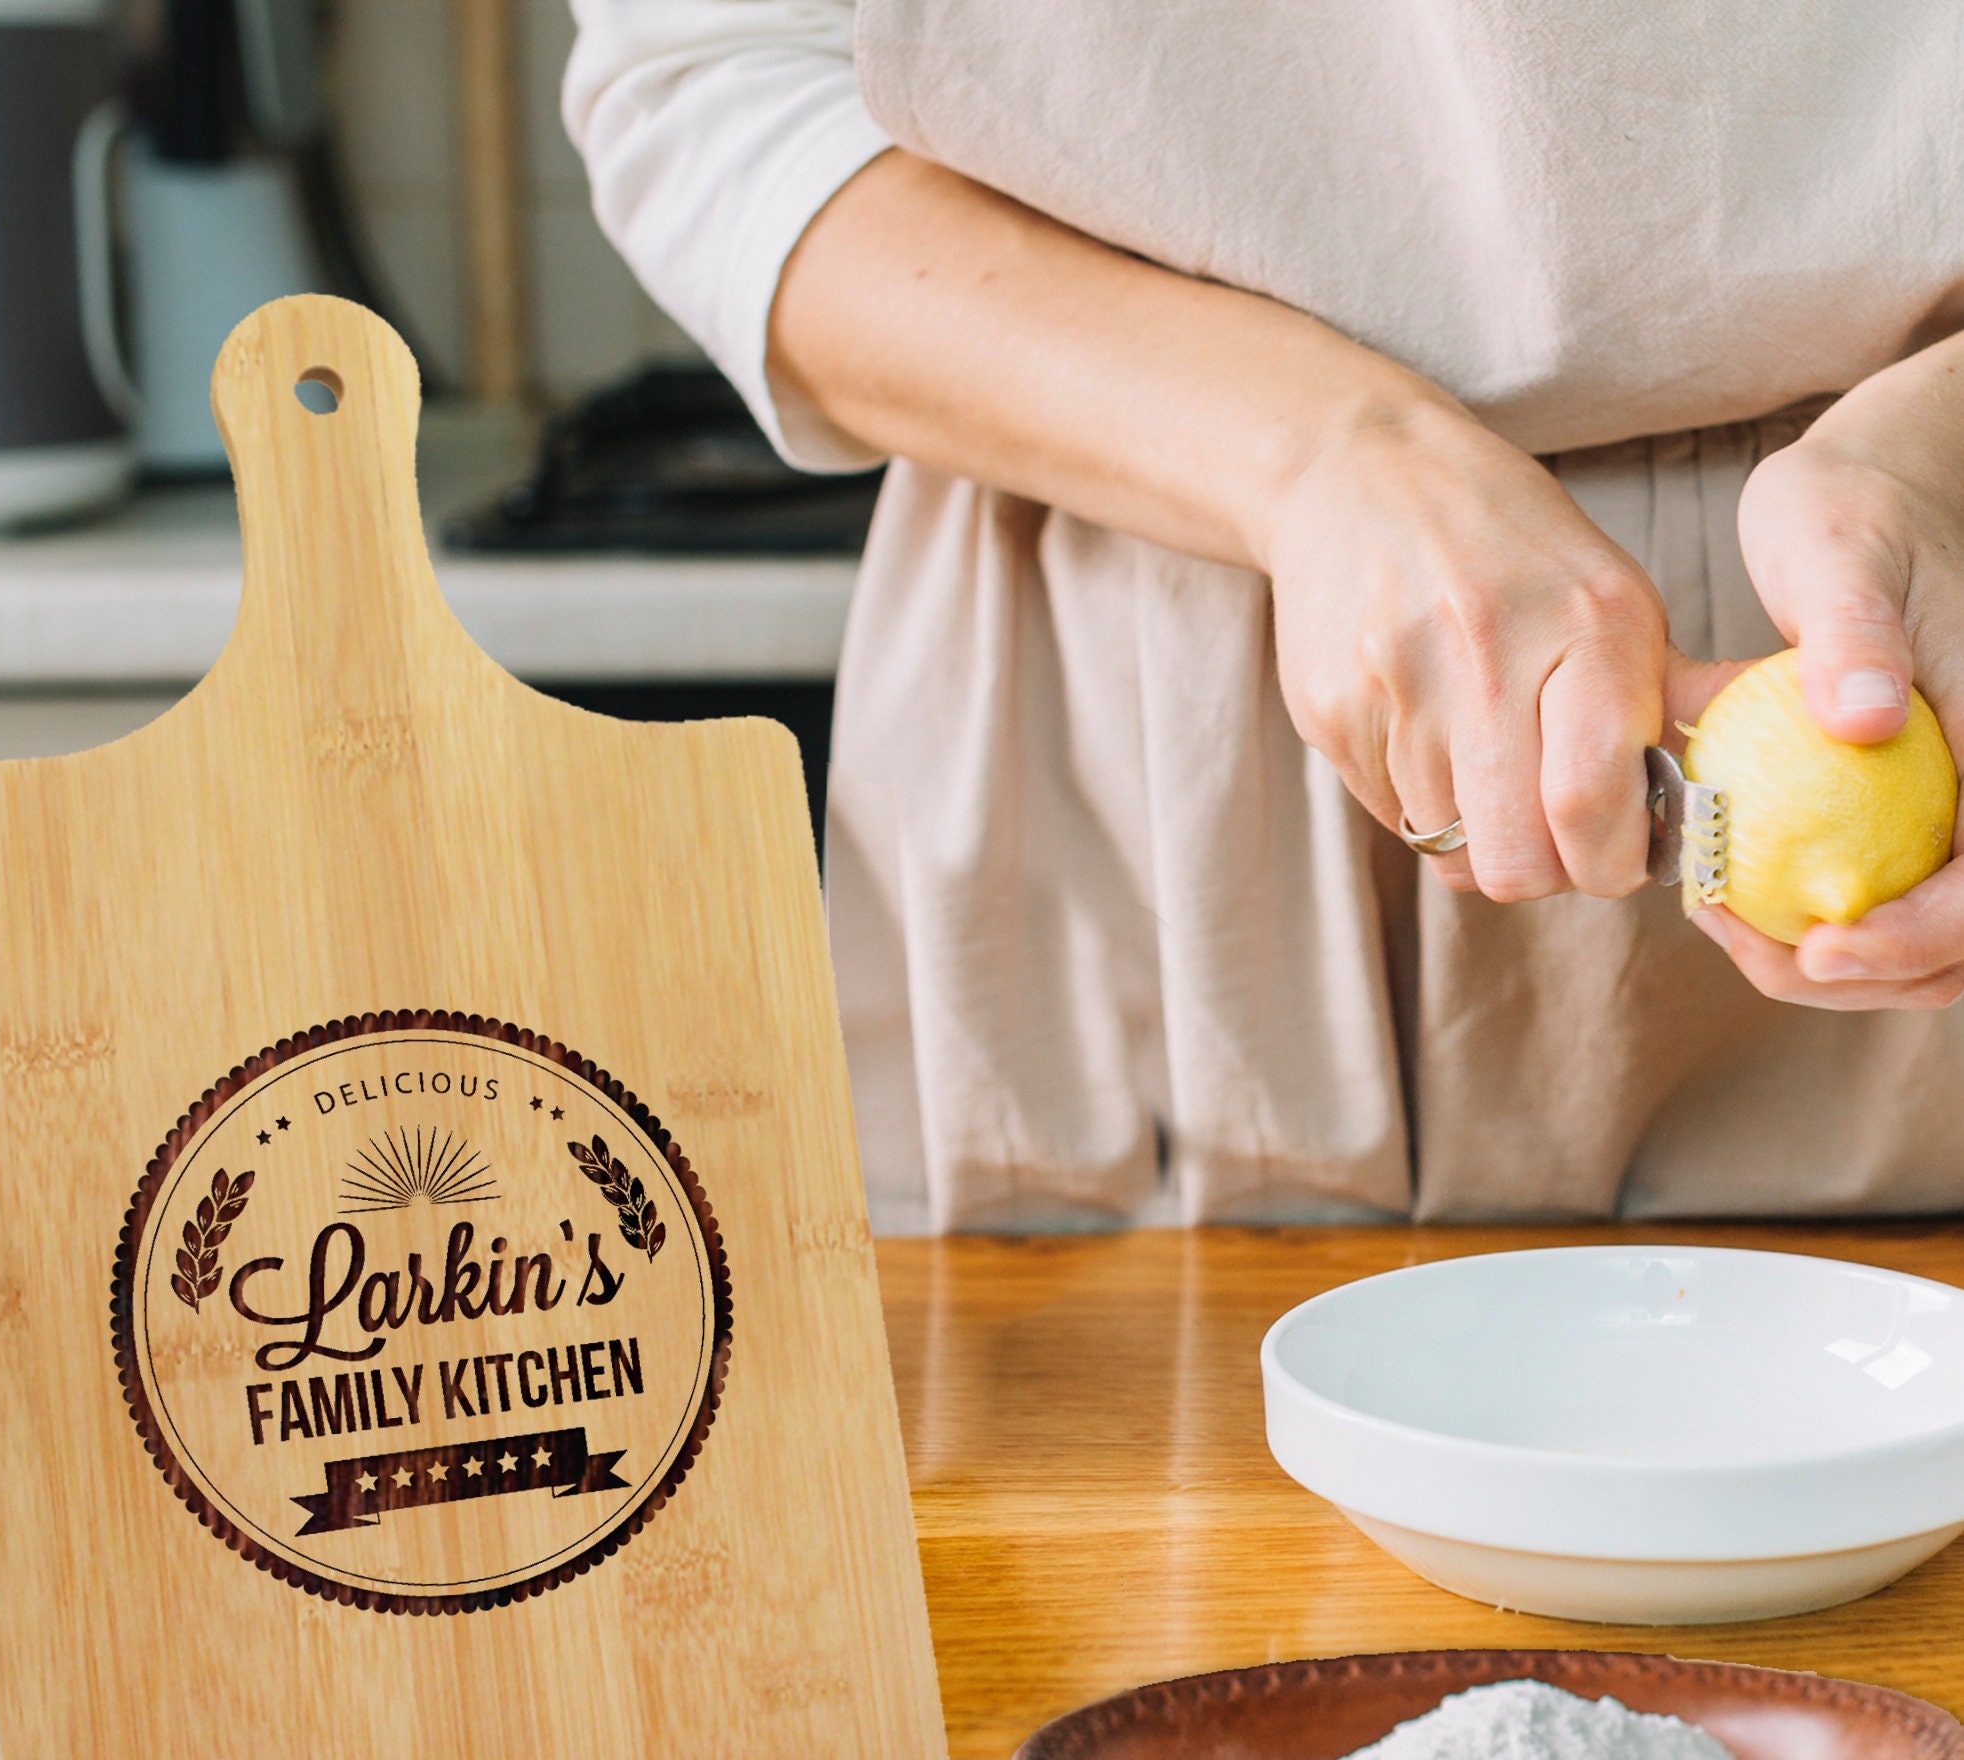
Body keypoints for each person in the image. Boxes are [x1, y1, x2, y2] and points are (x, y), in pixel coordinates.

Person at [564, 1, 1964, 1229]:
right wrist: (1317, 457)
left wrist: (1939, 450)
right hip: (1132, 717)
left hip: (1919, 628)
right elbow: (716, 91)